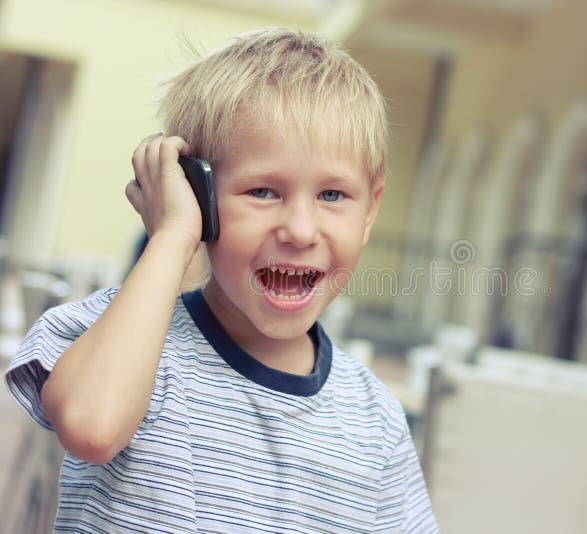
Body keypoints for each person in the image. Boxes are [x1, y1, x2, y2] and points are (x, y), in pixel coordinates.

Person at [4, 27, 437, 532]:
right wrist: (173, 235)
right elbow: (91, 429)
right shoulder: (125, 336)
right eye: (262, 191)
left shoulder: (376, 422)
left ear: (370, 210)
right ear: (197, 194)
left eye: (333, 196)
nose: (300, 229)